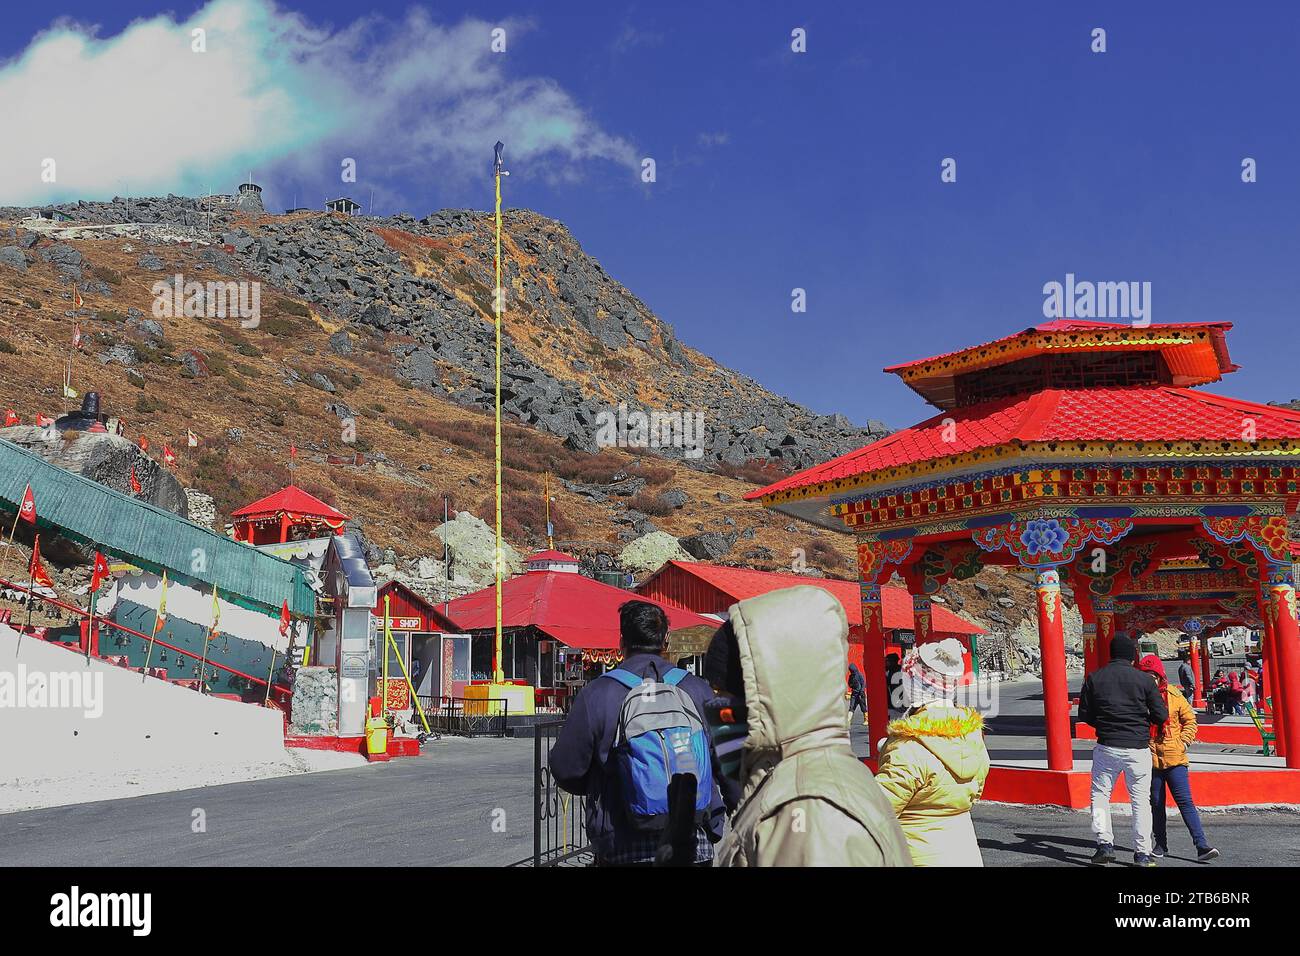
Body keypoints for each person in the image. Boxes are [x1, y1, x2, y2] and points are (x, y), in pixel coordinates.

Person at [709, 585, 911, 867]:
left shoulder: (809, 809)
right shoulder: (800, 778)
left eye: (722, 696)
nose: (715, 708)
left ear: (763, 695)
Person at [549, 600, 726, 866]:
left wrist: (606, 783)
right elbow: (726, 762)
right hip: (692, 844)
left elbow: (566, 770)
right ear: (666, 639)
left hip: (623, 844)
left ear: (622, 641)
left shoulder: (597, 693)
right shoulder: (698, 689)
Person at [874, 638, 991, 866]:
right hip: (965, 852)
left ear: (913, 685)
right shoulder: (971, 736)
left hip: (917, 854)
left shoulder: (908, 747)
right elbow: (976, 791)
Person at [1077, 633, 1169, 866]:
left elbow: (1085, 714)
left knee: (1100, 796)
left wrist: (1106, 724)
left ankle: (1104, 844)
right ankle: (1143, 853)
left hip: (1107, 746)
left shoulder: (1095, 677)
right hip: (1138, 749)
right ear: (1132, 656)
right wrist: (1141, 722)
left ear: (1111, 654)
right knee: (1140, 801)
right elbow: (1161, 715)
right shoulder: (1145, 680)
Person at [1135, 654, 1218, 863]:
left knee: (1185, 802)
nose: (1150, 680)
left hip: (1175, 758)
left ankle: (1201, 845)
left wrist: (1183, 742)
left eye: (1153, 676)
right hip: (1150, 759)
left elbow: (1191, 721)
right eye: (1145, 676)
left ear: (1160, 676)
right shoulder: (1136, 697)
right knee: (1156, 803)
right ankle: (1160, 844)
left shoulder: (1173, 695)